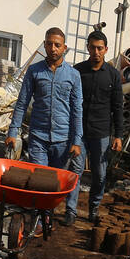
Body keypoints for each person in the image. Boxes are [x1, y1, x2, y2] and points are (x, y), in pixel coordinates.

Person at [6, 28, 83, 232]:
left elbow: (77, 110)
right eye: (49, 43)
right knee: (39, 182)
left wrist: (76, 141)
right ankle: (39, 221)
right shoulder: (35, 71)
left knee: (53, 184)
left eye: (57, 45)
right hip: (38, 136)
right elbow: (22, 103)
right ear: (45, 44)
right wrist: (13, 132)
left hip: (62, 140)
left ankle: (47, 215)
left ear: (64, 48)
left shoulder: (74, 76)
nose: (53, 48)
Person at [73, 30, 124, 226]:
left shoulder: (113, 75)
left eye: (100, 48)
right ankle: (71, 210)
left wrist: (118, 135)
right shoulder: (77, 72)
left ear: (106, 50)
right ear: (88, 48)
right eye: (93, 47)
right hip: (79, 132)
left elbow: (117, 107)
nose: (96, 52)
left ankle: (94, 207)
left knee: (100, 174)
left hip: (101, 133)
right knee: (75, 172)